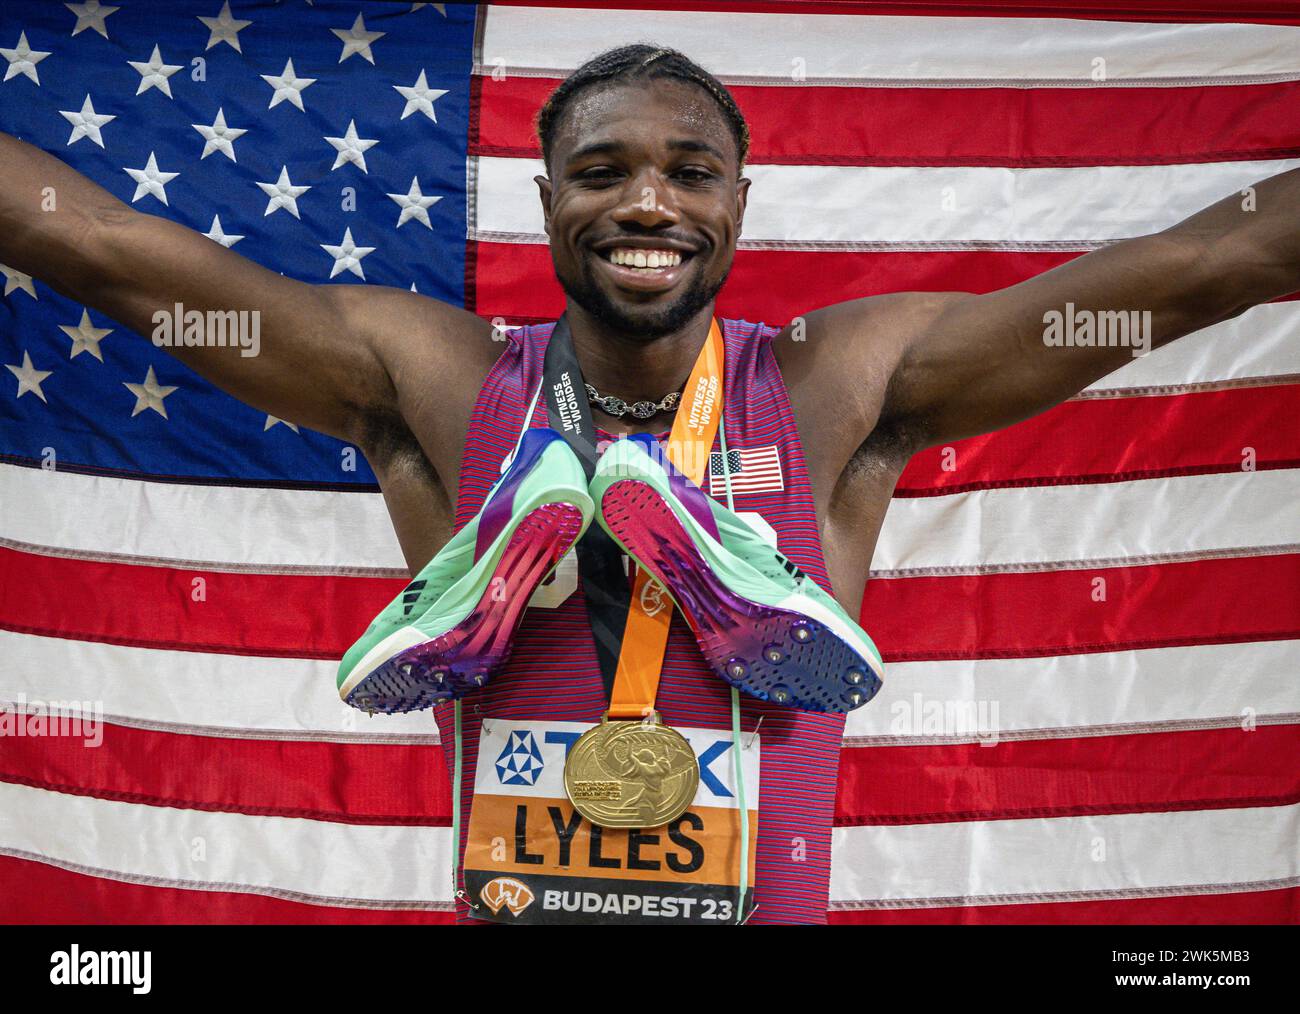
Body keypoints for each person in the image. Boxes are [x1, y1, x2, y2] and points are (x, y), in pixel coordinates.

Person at [1, 43, 1296, 924]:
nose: (648, 202)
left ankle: (683, 568)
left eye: (690, 171)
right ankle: (509, 570)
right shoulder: (439, 376)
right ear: (545, 193)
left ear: (741, 198)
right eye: (605, 170)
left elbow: (1181, 276)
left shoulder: (835, 381)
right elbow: (115, 253)